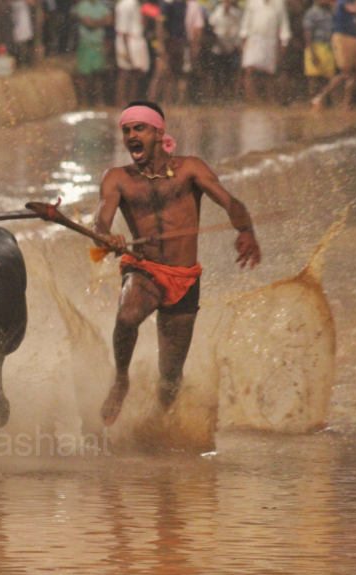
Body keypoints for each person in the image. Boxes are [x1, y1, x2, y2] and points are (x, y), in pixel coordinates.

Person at [93, 101, 262, 425]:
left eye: (138, 128)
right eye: (126, 130)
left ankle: (158, 430)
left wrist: (245, 230)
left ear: (158, 132)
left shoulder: (190, 168)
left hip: (184, 278)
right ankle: (121, 378)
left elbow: (230, 202)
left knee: (170, 380)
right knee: (127, 315)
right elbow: (100, 222)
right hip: (143, 269)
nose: (131, 136)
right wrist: (107, 237)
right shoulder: (117, 178)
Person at [311, 0, 356, 108]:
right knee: (345, 72)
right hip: (342, 37)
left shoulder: (353, 2)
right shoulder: (343, 2)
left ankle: (346, 103)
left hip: (353, 37)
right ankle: (320, 97)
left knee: (355, 71)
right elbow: (352, 10)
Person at [239, 0, 291, 102]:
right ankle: (250, 101)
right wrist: (243, 37)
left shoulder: (279, 3)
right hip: (253, 38)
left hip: (270, 40)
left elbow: (283, 22)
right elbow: (246, 19)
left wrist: (284, 41)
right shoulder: (252, 2)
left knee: (269, 73)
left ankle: (268, 102)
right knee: (249, 69)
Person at [74, 0, 113, 104]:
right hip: (86, 43)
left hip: (98, 43)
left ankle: (98, 101)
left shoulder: (102, 5)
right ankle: (84, 101)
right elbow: (88, 23)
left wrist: (94, 22)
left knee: (98, 74)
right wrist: (101, 21)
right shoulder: (82, 6)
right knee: (84, 74)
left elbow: (109, 20)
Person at [115, 0, 150, 105]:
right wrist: (126, 50)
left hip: (135, 40)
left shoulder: (135, 4)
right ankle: (121, 103)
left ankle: (131, 102)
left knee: (135, 74)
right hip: (127, 42)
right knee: (125, 73)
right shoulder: (126, 4)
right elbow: (123, 29)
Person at [209, 0, 243, 99]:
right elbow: (213, 28)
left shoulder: (236, 14)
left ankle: (230, 95)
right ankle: (216, 96)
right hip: (218, 48)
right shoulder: (216, 13)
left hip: (232, 48)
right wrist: (223, 32)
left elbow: (238, 30)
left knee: (231, 74)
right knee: (217, 74)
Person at [304, 0, 336, 101]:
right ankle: (312, 102)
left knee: (325, 78)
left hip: (327, 47)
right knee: (313, 78)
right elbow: (307, 35)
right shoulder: (311, 13)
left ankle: (321, 102)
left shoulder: (328, 13)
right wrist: (312, 53)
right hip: (315, 46)